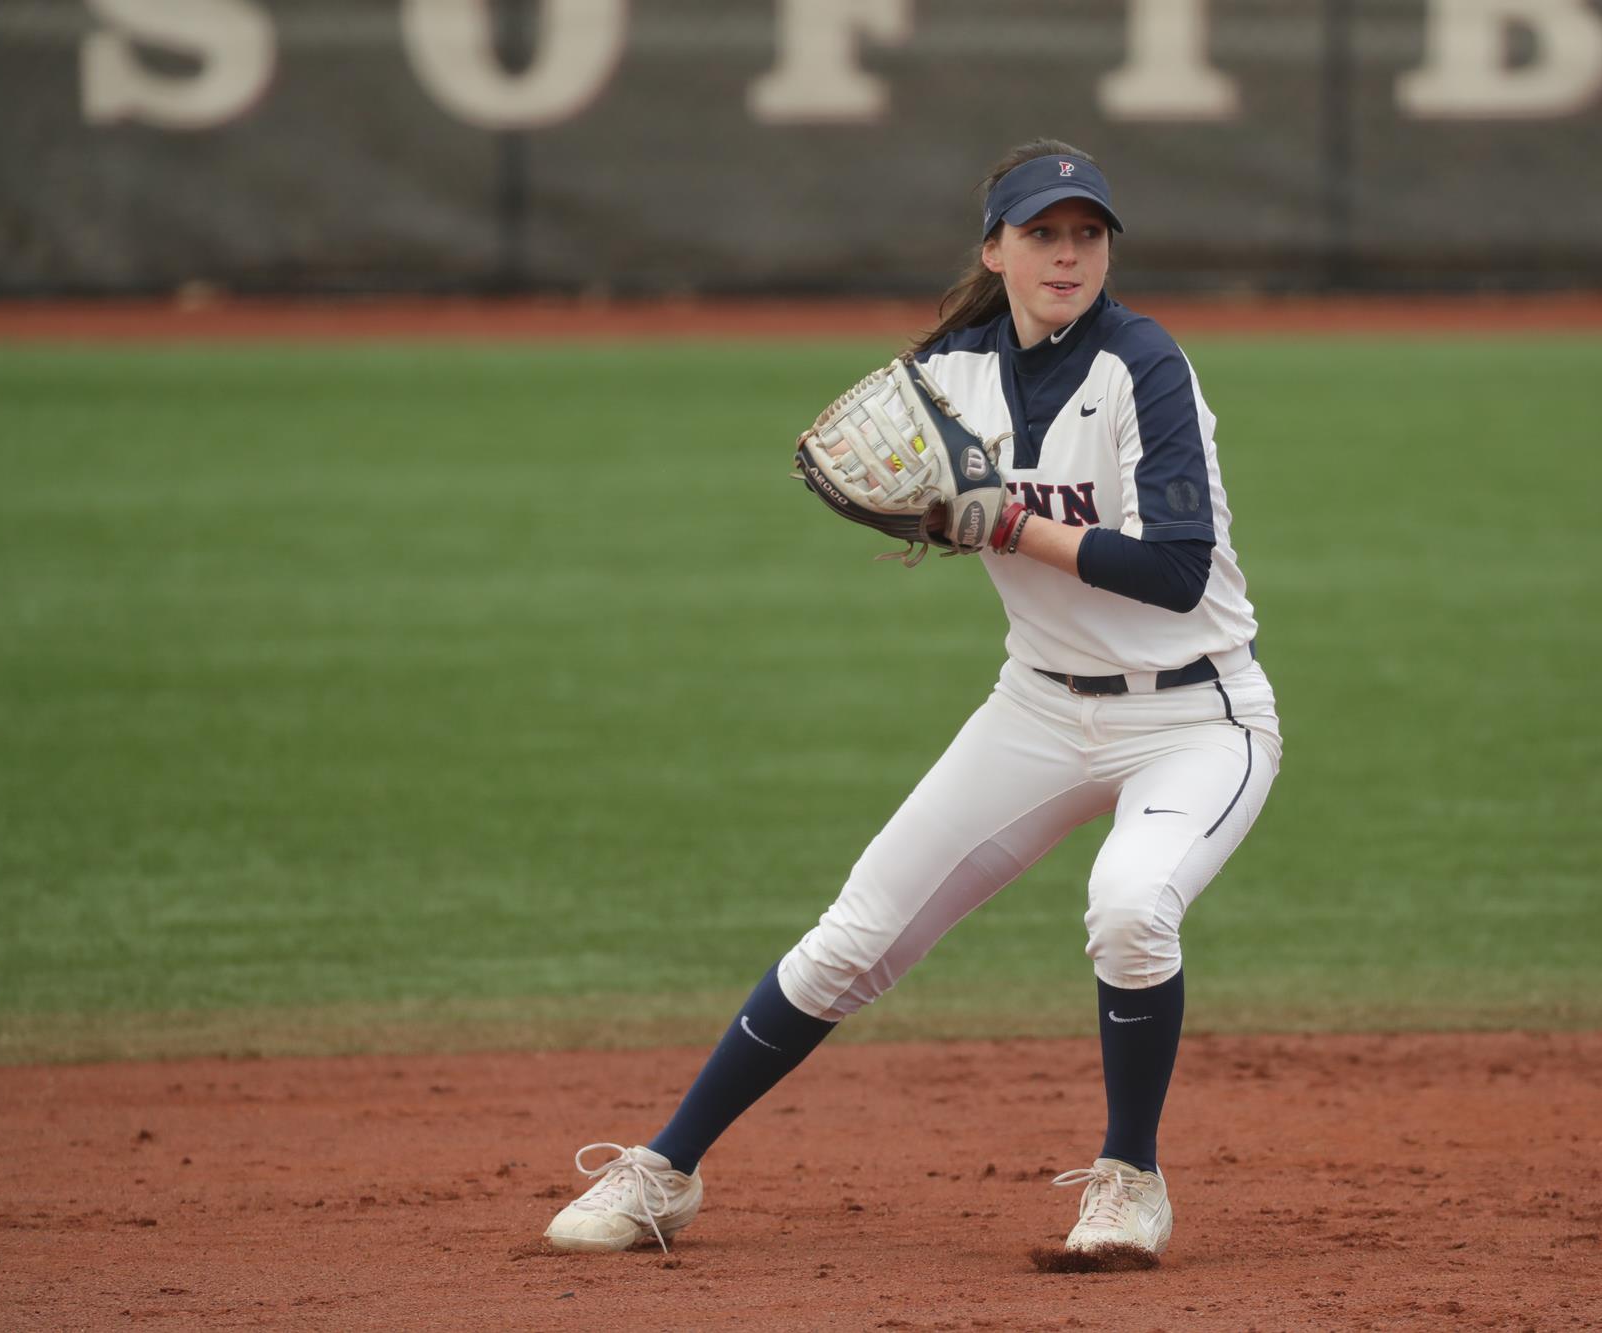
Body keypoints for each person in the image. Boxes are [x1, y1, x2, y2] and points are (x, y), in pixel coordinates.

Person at [544, 138, 1282, 1261]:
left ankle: (1129, 1179)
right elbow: (843, 464)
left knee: (1130, 910)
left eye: (1086, 234)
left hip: (1197, 717)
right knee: (853, 938)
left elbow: (1177, 571)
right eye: (1042, 233)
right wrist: (923, 516)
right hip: (1037, 708)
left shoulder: (1144, 365)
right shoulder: (951, 375)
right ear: (995, 249)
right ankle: (664, 1170)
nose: (1067, 253)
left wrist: (1004, 523)